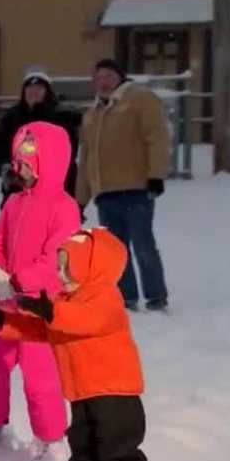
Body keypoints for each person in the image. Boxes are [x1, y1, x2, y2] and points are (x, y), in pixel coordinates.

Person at [0, 227, 150, 461]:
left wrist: (48, 310)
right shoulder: (66, 303)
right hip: (82, 393)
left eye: (68, 267)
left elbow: (85, 320)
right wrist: (4, 320)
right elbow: (44, 329)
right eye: (59, 267)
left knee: (117, 455)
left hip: (115, 395)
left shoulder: (104, 299)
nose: (60, 274)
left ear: (91, 268)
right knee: (84, 453)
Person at [0, 121, 80, 461]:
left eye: (28, 163)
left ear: (51, 162)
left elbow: (57, 256)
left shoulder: (64, 208)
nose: (21, 169)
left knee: (40, 378)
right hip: (7, 305)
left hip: (40, 307)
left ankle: (50, 439)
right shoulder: (13, 203)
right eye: (19, 162)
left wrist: (20, 280)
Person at [76, 58, 171, 312]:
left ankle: (155, 297)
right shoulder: (92, 114)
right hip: (105, 192)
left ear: (119, 77)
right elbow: (86, 160)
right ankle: (126, 298)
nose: (103, 82)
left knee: (142, 243)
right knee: (115, 251)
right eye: (98, 78)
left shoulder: (139, 100)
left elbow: (157, 137)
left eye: (107, 76)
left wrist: (156, 175)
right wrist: (80, 199)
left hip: (135, 187)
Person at [0, 70, 82, 209]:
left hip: (54, 190)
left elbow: (69, 152)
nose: (33, 92)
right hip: (18, 188)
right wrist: (6, 168)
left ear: (47, 92)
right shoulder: (11, 118)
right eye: (29, 88)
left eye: (39, 89)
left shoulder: (62, 117)